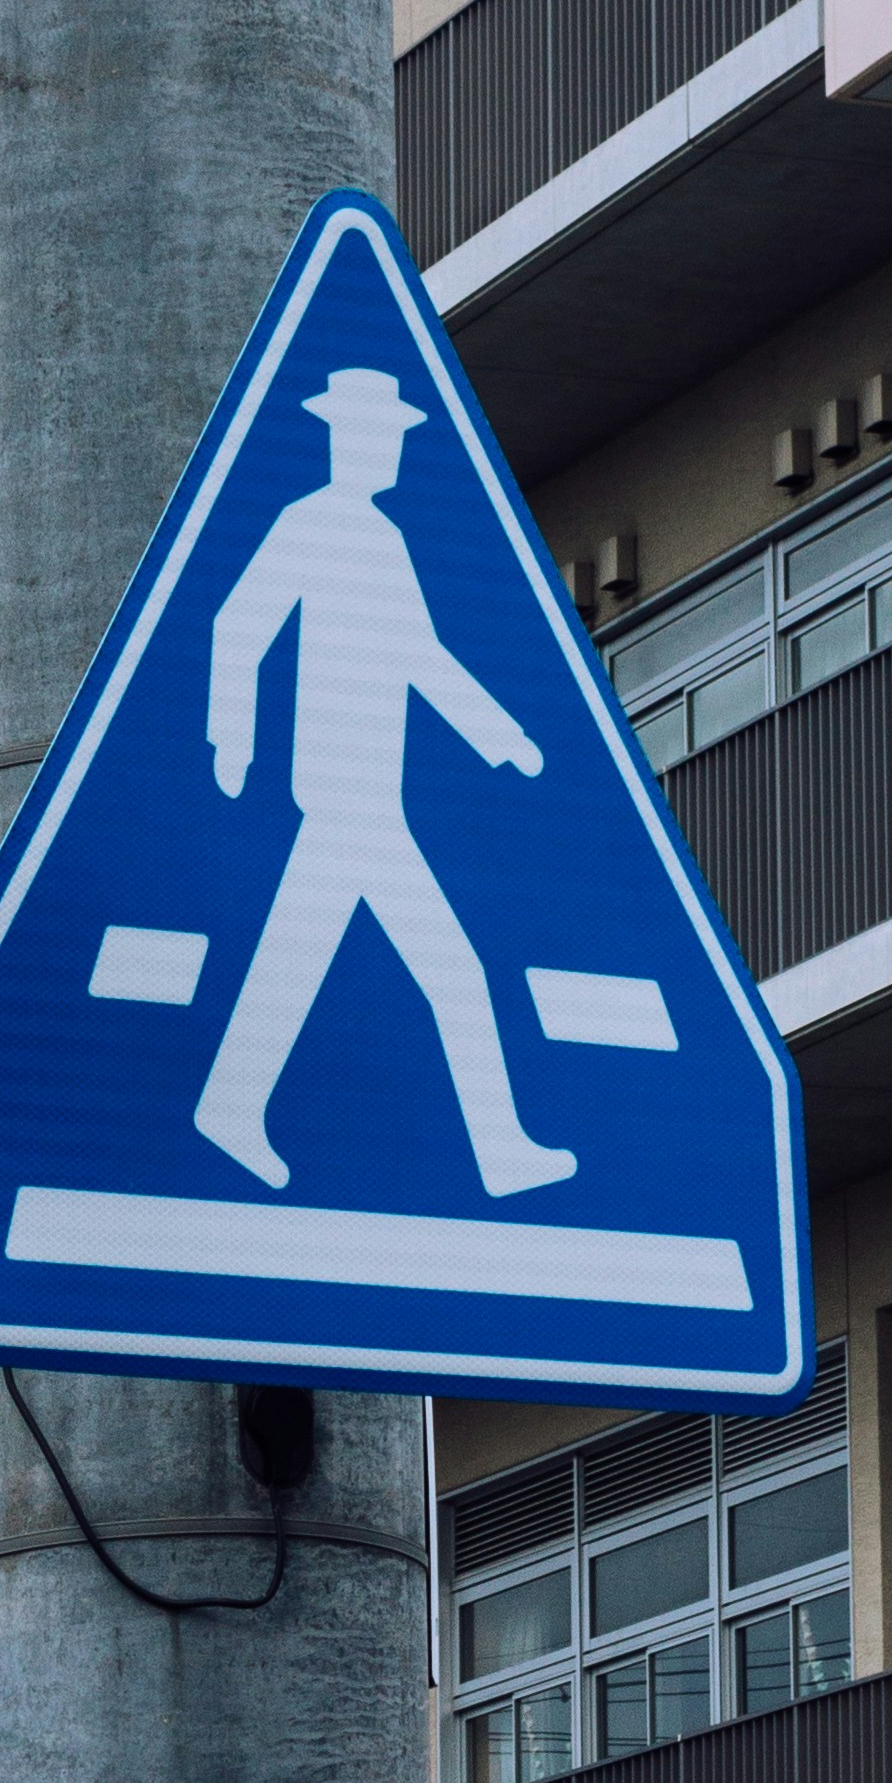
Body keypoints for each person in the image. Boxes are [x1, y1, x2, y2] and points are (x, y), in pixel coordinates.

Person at [194, 365, 575, 1201]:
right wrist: (232, 743)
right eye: (383, 437)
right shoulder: (308, 523)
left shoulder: (383, 537)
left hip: (369, 793)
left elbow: (418, 655)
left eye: (398, 438)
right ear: (347, 440)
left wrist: (500, 736)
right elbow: (237, 623)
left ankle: (229, 1107)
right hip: (339, 792)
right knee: (453, 971)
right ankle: (501, 1152)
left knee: (300, 958)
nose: (395, 452)